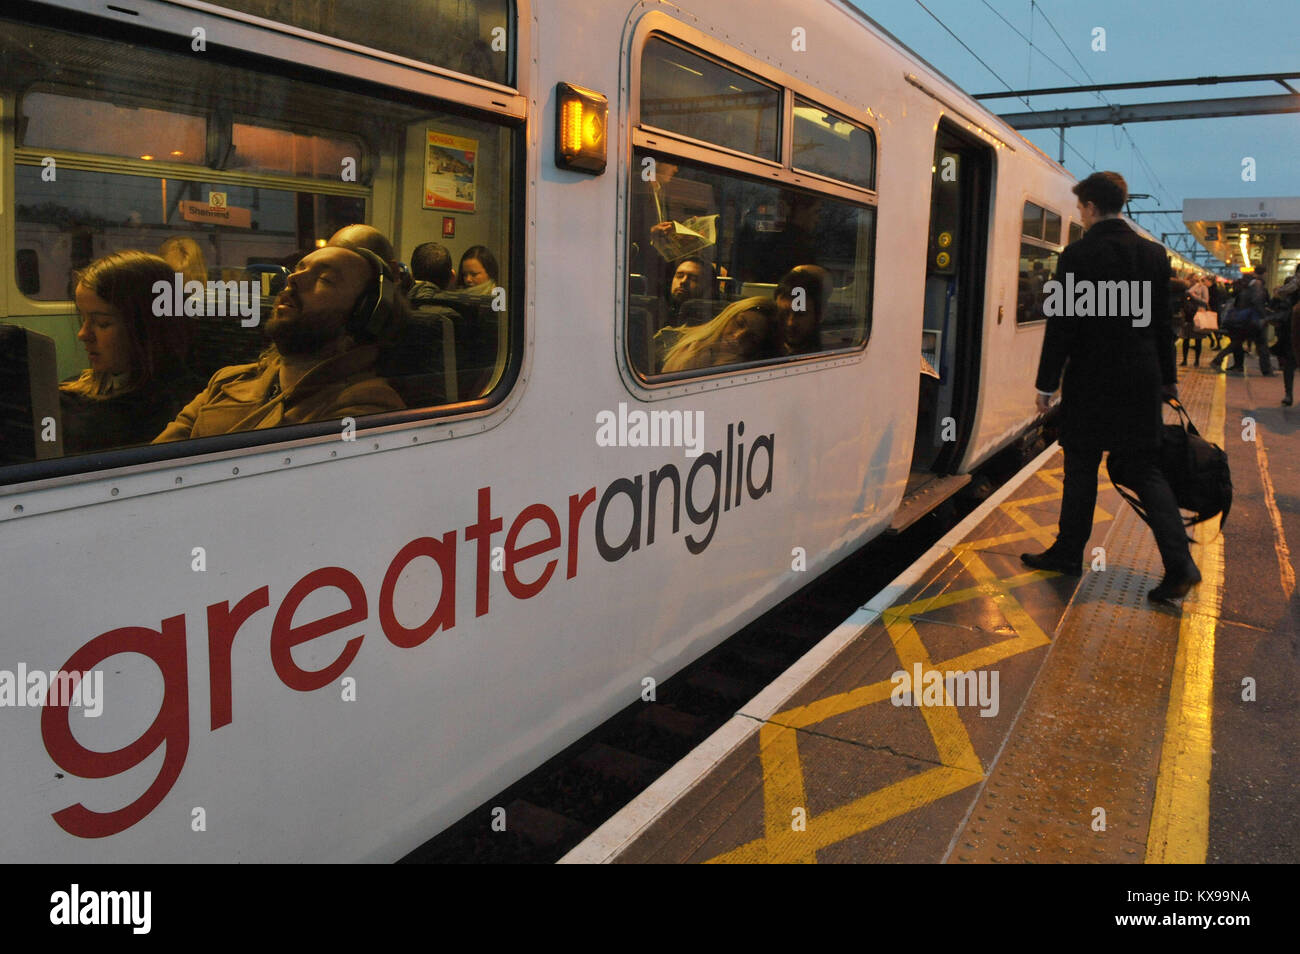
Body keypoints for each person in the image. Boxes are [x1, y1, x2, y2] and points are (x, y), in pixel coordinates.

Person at [1022, 171, 1199, 603]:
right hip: (1140, 380)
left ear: (1091, 207)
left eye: (1080, 207)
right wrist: (1168, 378)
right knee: (1145, 471)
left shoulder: (1077, 256)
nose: (1080, 215)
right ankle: (1181, 566)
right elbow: (1161, 325)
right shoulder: (1153, 255)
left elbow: (1061, 326)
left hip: (1090, 382)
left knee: (1080, 469)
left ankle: (1068, 553)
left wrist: (1047, 384)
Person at [154, 245, 405, 441]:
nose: (294, 278)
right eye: (300, 268)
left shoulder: (367, 405)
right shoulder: (226, 380)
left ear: (362, 317)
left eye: (326, 279)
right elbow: (154, 461)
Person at [58, 251, 203, 454]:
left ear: (148, 329)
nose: (83, 334)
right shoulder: (70, 391)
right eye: (83, 320)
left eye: (102, 323)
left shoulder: (175, 410)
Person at [660, 297, 778, 373]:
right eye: (739, 323)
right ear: (728, 315)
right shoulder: (669, 337)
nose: (738, 336)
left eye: (752, 339)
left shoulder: (743, 375)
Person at [775, 265, 832, 356]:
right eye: (784, 313)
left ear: (821, 313)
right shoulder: (765, 348)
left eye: (800, 314)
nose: (790, 323)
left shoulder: (834, 351)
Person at [666, 257, 714, 321]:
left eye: (693, 279)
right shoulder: (658, 311)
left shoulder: (711, 319)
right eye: (679, 276)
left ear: (708, 287)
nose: (683, 281)